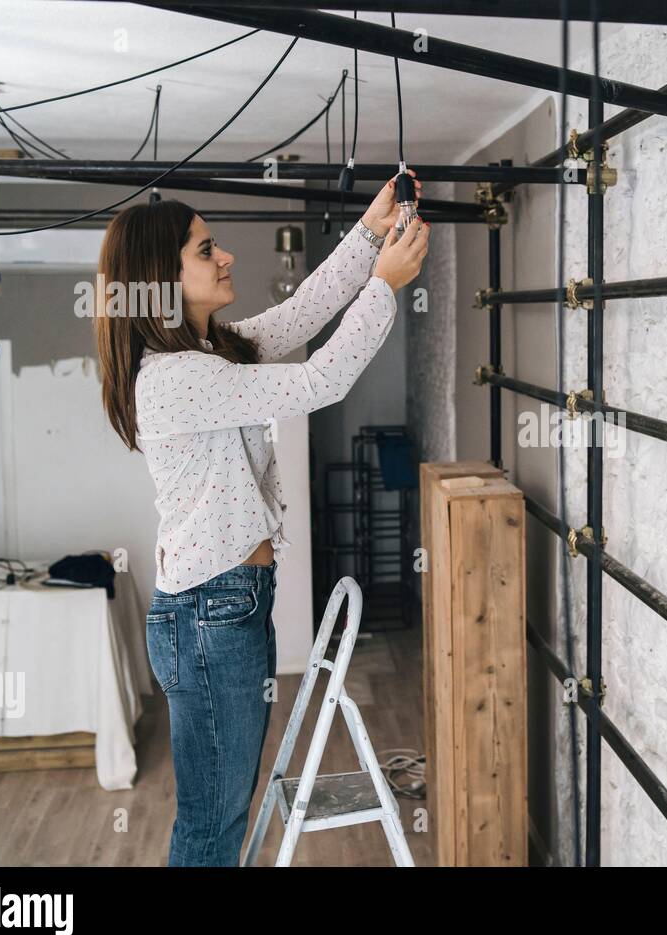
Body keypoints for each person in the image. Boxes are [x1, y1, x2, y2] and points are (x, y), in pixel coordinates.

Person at [94, 174, 430, 866]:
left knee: (218, 814)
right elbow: (320, 381)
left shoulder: (209, 353)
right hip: (212, 614)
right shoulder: (175, 377)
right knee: (211, 825)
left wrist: (370, 231)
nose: (227, 259)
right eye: (205, 250)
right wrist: (385, 286)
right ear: (162, 277)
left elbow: (304, 313)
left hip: (223, 608)